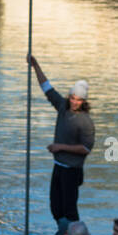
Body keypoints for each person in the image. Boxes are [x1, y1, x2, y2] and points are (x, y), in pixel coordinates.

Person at [28, 55, 95, 223]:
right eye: (72, 98)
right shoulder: (63, 107)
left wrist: (60, 147)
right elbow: (47, 88)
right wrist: (36, 66)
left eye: (78, 100)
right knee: (56, 208)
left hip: (72, 170)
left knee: (69, 209)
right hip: (58, 166)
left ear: (83, 101)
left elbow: (86, 149)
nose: (74, 102)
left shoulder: (86, 122)